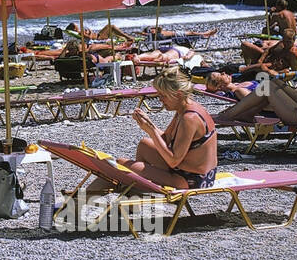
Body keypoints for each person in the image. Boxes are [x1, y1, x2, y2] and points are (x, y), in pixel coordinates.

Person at [87, 67, 217, 195]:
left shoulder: (190, 118)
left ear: (177, 94)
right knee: (144, 144)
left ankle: (80, 202)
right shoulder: (184, 108)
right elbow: (166, 139)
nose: (160, 99)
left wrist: (151, 131)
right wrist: (149, 124)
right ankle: (135, 190)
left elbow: (173, 160)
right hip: (190, 171)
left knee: (120, 164)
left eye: (163, 96)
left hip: (192, 179)